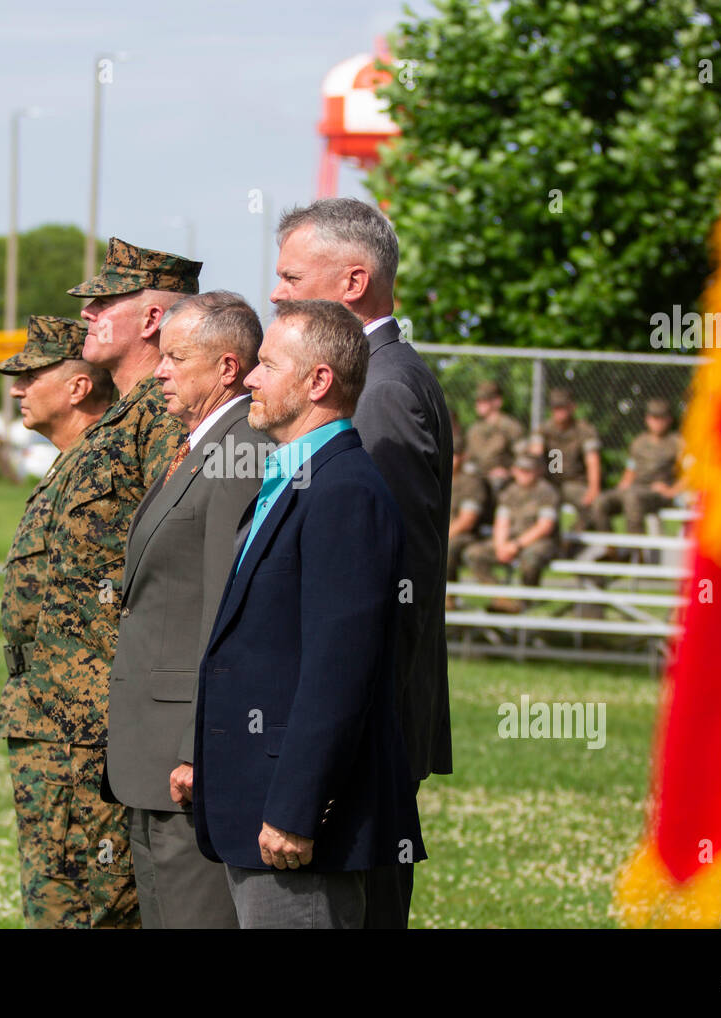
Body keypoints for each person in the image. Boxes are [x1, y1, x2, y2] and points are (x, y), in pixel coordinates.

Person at [192, 299, 425, 929]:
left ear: (318, 381)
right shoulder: (296, 477)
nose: (248, 379)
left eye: (267, 365)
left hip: (296, 827)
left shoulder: (344, 488)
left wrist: (297, 809)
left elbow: (338, 671)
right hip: (253, 805)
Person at [270, 197, 450, 928]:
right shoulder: (378, 375)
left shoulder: (377, 391)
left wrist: (342, 725)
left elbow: (381, 582)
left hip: (365, 721)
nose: (275, 291)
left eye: (289, 275)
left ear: (351, 282)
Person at [103, 291, 265, 929]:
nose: (160, 370)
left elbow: (227, 609)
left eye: (175, 357)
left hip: (184, 755)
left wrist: (200, 742)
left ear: (226, 368)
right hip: (152, 749)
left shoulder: (239, 446)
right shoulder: (199, 443)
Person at [0, 315, 131, 928]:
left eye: (30, 375)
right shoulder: (68, 464)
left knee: (85, 898)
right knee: (53, 888)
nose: (17, 389)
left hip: (80, 723)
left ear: (78, 388)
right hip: (47, 712)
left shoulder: (101, 463)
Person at [465, 452, 561, 606]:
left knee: (531, 559)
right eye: (520, 469)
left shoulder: (547, 492)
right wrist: (500, 545)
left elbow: (545, 527)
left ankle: (526, 602)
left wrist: (515, 545)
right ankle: (501, 599)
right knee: (474, 554)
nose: (523, 474)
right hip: (511, 541)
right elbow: (502, 521)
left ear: (538, 471)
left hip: (538, 542)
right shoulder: (509, 492)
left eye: (528, 470)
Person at [592, 398, 685, 539]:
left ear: (669, 419)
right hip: (635, 488)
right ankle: (612, 552)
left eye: (661, 418)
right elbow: (630, 470)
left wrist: (672, 491)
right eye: (654, 417)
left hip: (658, 494)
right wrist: (622, 487)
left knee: (632, 498)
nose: (657, 422)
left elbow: (691, 474)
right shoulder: (639, 442)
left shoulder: (677, 444)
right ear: (647, 419)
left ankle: (636, 553)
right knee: (600, 501)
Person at [536, 388, 602, 527]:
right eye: (555, 408)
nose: (559, 412)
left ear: (572, 407)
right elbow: (535, 454)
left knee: (596, 507)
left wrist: (594, 487)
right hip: (551, 482)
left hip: (575, 482)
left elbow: (592, 460)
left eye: (563, 407)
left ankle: (577, 542)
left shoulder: (584, 430)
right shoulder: (544, 429)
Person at [465, 380, 525, 491]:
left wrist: (508, 472)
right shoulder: (474, 430)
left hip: (504, 480)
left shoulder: (510, 426)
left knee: (498, 482)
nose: (479, 404)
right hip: (479, 477)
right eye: (478, 401)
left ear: (497, 401)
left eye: (484, 401)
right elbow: (469, 458)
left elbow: (523, 457)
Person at [448, 428, 491, 582]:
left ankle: (448, 597)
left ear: (463, 457)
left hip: (465, 535)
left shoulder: (472, 482)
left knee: (448, 547)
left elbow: (467, 521)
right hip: (441, 534)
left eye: (454, 454)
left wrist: (441, 538)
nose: (449, 458)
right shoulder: (436, 478)